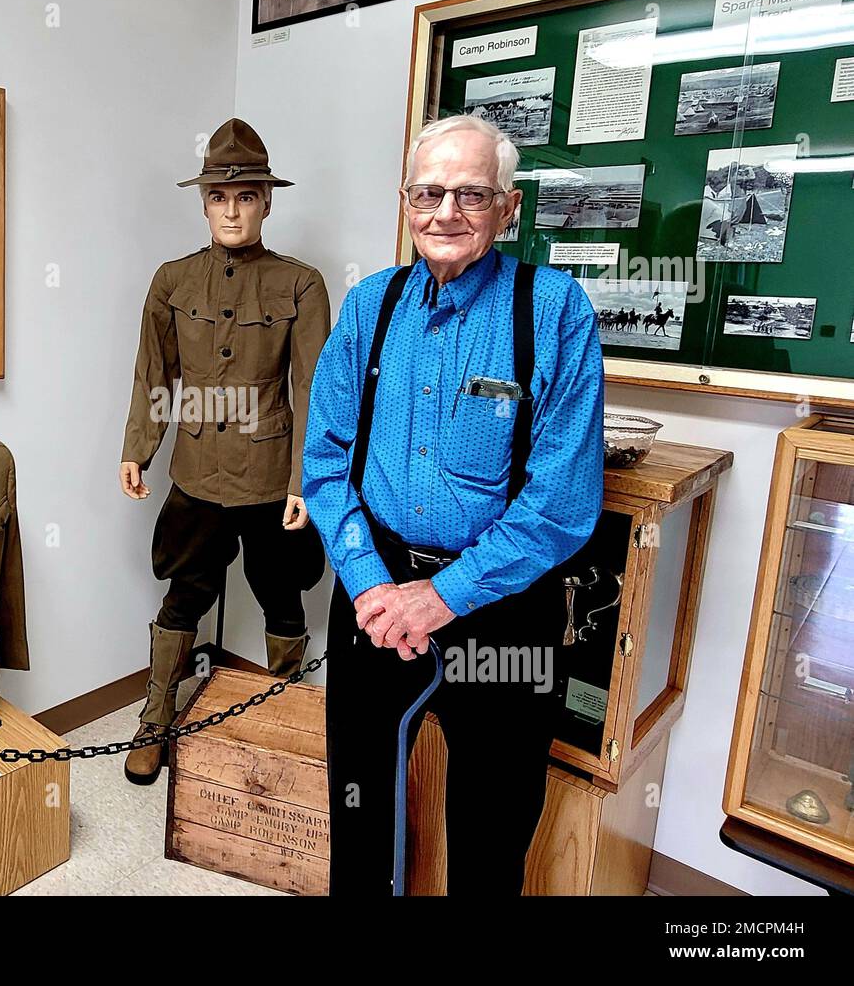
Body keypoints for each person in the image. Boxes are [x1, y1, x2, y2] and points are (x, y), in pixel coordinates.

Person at [304, 114, 604, 895]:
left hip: (503, 601)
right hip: (374, 592)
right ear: (406, 201)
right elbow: (327, 464)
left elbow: (561, 505)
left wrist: (440, 596)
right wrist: (373, 586)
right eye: (428, 192)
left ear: (509, 208)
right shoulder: (369, 306)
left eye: (472, 194)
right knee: (358, 804)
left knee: (492, 826)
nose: (446, 213)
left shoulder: (556, 311)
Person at [119, 118, 331, 785]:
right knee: (184, 594)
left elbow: (312, 387)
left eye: (246, 196)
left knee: (283, 596)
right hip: (198, 469)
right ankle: (156, 717)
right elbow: (153, 373)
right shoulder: (173, 280)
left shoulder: (301, 284)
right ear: (204, 202)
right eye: (219, 196)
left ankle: (285, 725)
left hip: (271, 478)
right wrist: (139, 448)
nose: (232, 209)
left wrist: (304, 481)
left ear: (267, 200)